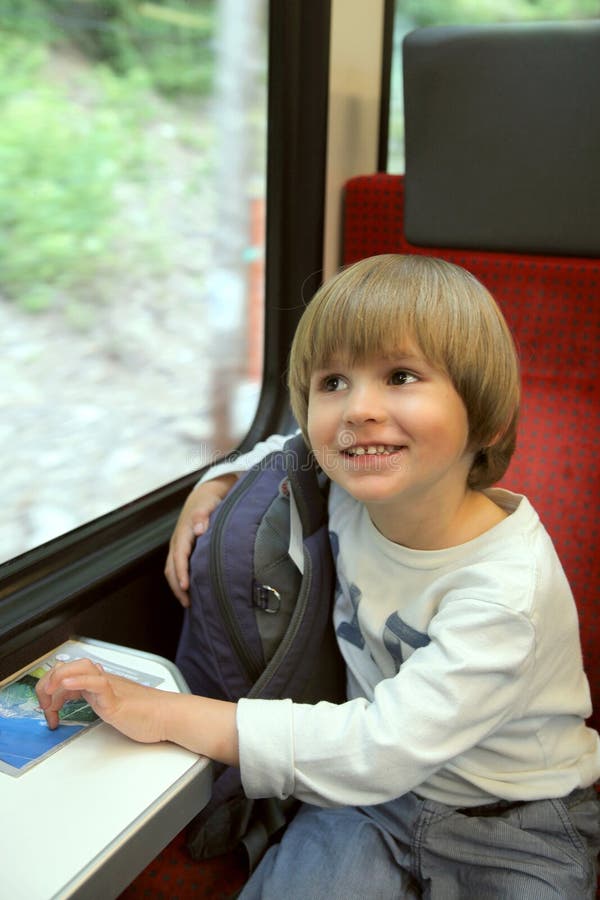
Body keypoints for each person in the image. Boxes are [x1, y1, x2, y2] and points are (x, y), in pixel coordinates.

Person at [38, 255, 600, 898]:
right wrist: (215, 483)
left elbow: (380, 747)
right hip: (371, 804)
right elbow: (287, 448)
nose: (358, 409)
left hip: (512, 819)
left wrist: (167, 712)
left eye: (400, 376)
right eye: (332, 382)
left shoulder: (506, 591)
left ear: (487, 418)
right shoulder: (351, 481)